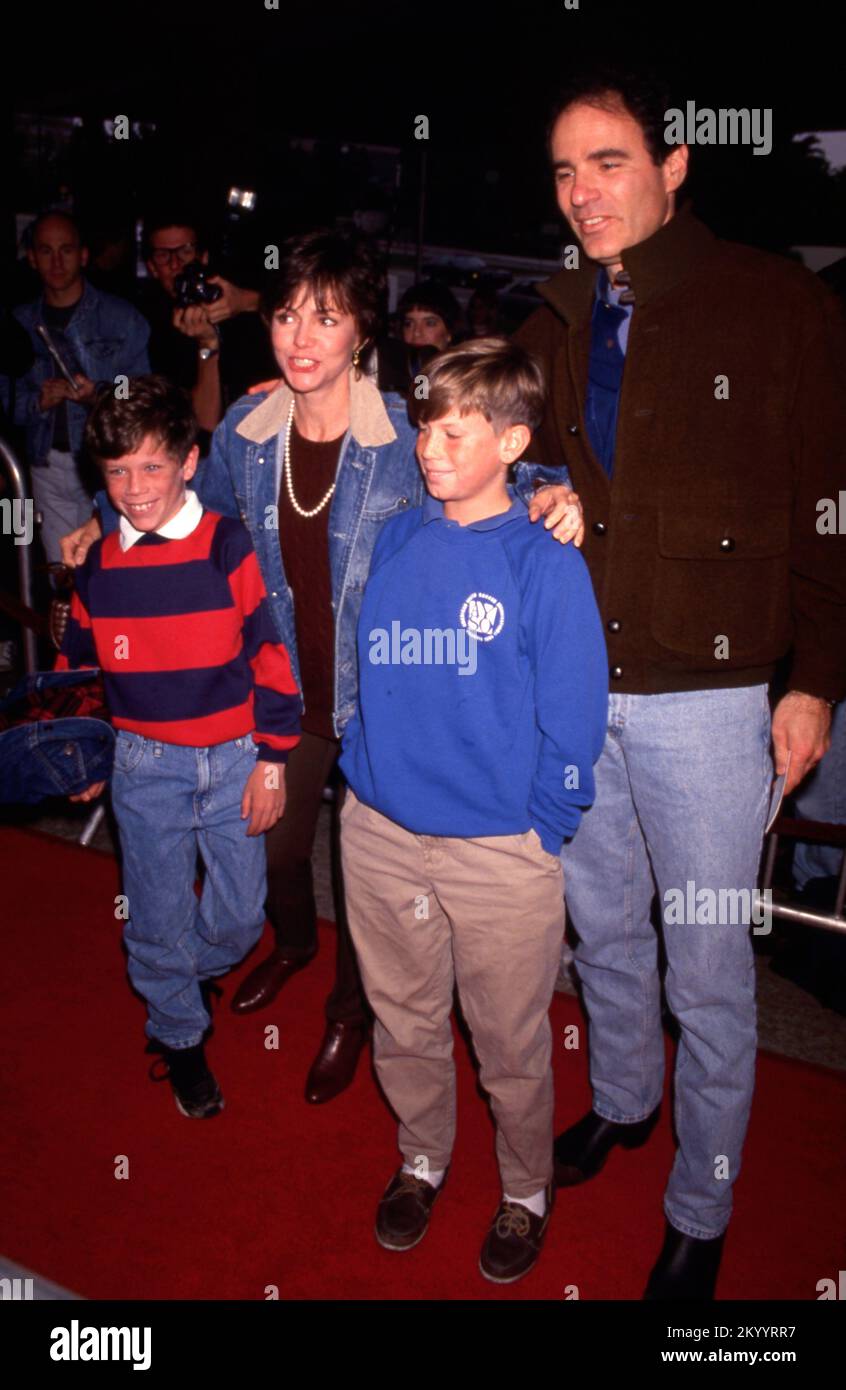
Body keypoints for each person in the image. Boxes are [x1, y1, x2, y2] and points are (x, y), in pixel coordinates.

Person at [60, 230, 584, 1106]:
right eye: (290, 314)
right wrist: (101, 525)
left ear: (361, 333)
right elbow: (181, 511)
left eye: (327, 317)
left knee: (369, 877)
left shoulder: (401, 437)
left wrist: (549, 487)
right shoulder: (244, 431)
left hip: (389, 696)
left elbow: (489, 459)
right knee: (274, 856)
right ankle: (294, 944)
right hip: (285, 692)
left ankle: (353, 1010)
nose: (302, 336)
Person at [514, 64, 846, 1299]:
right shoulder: (553, 313)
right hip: (580, 684)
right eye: (563, 167)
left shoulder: (773, 301)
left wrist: (817, 678)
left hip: (711, 700)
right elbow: (525, 465)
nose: (583, 191)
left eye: (607, 161)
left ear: (675, 166)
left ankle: (702, 1202)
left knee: (706, 964)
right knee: (601, 934)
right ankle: (625, 1102)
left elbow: (827, 502)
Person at [339, 338, 607, 1283]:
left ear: (511, 443)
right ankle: (423, 1157)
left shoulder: (546, 562)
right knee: (404, 1017)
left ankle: (527, 1189)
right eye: (425, 428)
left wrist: (543, 825)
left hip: (500, 851)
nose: (430, 447)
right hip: (379, 832)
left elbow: (575, 718)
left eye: (455, 433)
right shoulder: (398, 533)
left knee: (508, 1041)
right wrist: (361, 770)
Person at [55, 375, 301, 1118]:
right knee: (157, 915)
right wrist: (79, 752)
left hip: (232, 759)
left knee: (237, 919)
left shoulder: (228, 544)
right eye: (117, 472)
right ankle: (180, 1034)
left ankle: (177, 975)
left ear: (190, 462)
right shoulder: (98, 566)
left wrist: (273, 757)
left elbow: (270, 654)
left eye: (152, 467)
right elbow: (80, 666)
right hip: (142, 764)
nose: (134, 489)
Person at [6, 212, 150, 564]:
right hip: (46, 465)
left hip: (107, 461)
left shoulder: (121, 317)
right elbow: (8, 402)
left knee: (113, 565)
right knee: (60, 566)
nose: (56, 261)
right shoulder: (17, 325)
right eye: (46, 250)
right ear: (32, 258)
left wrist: (98, 394)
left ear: (83, 255)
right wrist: (36, 401)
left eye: (66, 250)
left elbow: (140, 392)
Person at [138, 210, 277, 433]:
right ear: (152, 267)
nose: (176, 264)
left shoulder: (233, 294)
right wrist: (207, 346)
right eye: (164, 255)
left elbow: (302, 308)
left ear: (202, 257)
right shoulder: (152, 328)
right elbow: (204, 423)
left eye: (185, 251)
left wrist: (247, 301)